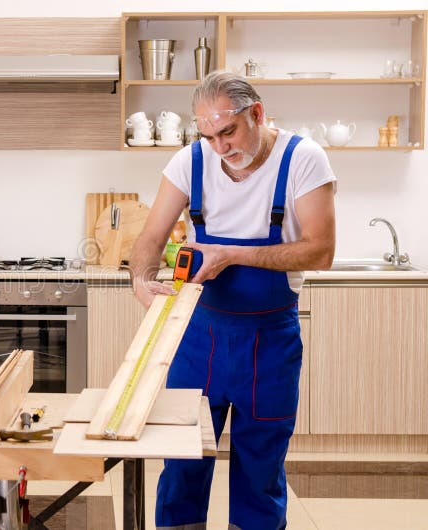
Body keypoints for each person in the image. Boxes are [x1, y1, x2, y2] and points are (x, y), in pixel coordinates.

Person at [129, 71, 336, 530]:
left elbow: (321, 251)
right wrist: (141, 281)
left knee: (259, 470)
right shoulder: (190, 161)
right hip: (196, 337)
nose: (219, 147)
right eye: (208, 135)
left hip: (269, 343)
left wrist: (230, 255)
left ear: (257, 114)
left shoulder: (303, 159)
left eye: (228, 131)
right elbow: (149, 236)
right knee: (182, 467)